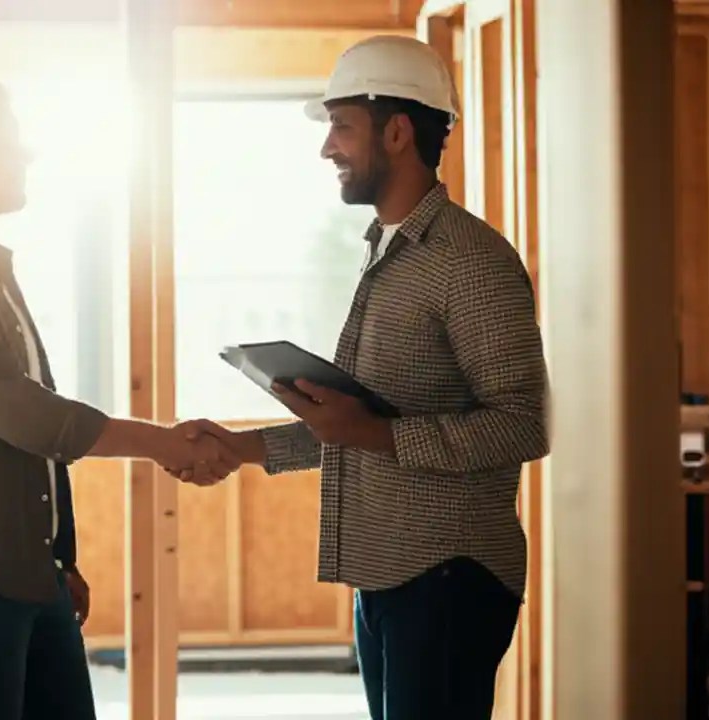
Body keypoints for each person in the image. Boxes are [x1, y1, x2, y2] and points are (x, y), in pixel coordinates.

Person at [193, 36, 550, 719]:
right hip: (387, 579)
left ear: (396, 131)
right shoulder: (387, 251)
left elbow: (523, 424)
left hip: (448, 580)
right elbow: (359, 423)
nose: (327, 148)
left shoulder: (469, 260)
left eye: (341, 126)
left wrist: (371, 431)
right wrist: (242, 449)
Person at [0, 78, 236, 719]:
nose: (25, 154)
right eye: (5, 141)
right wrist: (161, 442)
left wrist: (57, 557)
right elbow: (26, 415)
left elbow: (31, 433)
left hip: (29, 571)